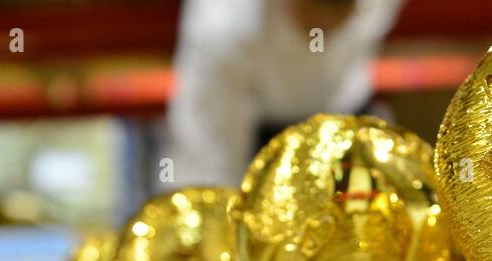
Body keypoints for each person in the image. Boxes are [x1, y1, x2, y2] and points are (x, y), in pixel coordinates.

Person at [166, 0, 403, 187]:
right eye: (313, 9)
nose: (325, 22)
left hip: (351, 123)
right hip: (256, 146)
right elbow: (208, 162)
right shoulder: (223, 25)